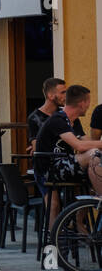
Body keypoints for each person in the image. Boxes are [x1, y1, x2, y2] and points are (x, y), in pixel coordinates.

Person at [35, 84, 102, 225]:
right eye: (88, 102)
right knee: (94, 154)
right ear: (82, 103)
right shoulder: (58, 120)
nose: (89, 106)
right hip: (50, 169)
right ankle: (101, 196)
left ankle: (78, 223)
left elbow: (85, 140)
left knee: (94, 165)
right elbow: (78, 145)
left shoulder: (73, 121)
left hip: (64, 165)